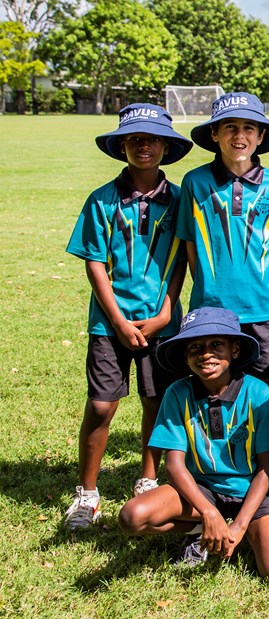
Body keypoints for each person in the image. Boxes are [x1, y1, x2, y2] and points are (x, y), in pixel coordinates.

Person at [63, 104, 193, 530]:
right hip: (109, 322)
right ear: (122, 145)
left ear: (166, 147)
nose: (144, 146)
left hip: (162, 323)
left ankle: (148, 478)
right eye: (135, 139)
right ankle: (88, 493)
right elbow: (94, 263)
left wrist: (167, 310)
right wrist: (117, 319)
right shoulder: (101, 200)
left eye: (153, 139)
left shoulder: (178, 200)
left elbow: (180, 261)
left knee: (157, 400)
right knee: (102, 405)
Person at [116, 307, 269, 580]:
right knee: (133, 516)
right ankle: (199, 528)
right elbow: (174, 465)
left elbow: (266, 470)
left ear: (235, 350)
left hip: (250, 493)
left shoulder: (257, 392)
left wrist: (240, 525)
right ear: (185, 357)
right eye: (195, 348)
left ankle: (234, 530)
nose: (206, 354)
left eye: (216, 345)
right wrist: (208, 513)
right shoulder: (178, 393)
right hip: (200, 491)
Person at [179, 92, 269, 382]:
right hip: (210, 307)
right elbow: (190, 243)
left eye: (248, 128)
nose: (239, 135)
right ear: (214, 134)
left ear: (261, 135)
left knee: (260, 387)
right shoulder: (195, 182)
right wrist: (209, 285)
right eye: (230, 127)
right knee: (212, 385)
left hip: (262, 306)